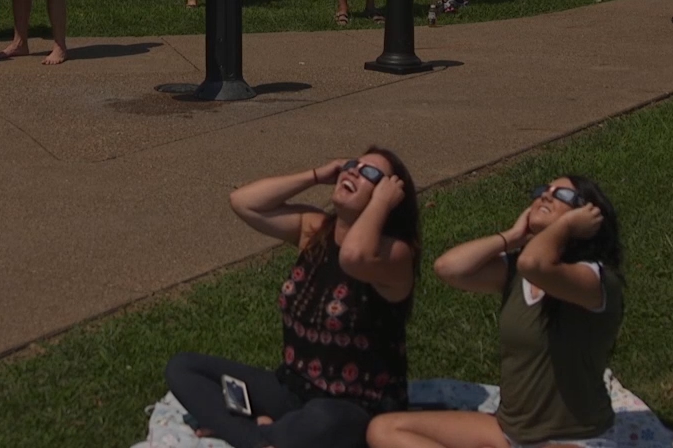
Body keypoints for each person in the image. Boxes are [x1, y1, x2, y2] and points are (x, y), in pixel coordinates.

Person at [164, 150, 418, 448]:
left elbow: (353, 256)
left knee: (324, 421)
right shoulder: (316, 231)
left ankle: (256, 433)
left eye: (370, 174)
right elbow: (245, 203)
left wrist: (381, 204)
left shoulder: (394, 255)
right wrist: (316, 175)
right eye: (351, 166)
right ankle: (265, 438)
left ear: (389, 195)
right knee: (184, 368)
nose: (352, 172)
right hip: (291, 391)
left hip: (355, 409)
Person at [368, 177, 624, 448]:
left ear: (588, 216)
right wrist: (512, 237)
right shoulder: (518, 272)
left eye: (561, 194)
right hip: (509, 431)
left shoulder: (596, 279)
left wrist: (567, 225)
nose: (545, 197)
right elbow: (449, 268)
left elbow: (534, 263)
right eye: (542, 191)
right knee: (383, 430)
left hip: (572, 438)